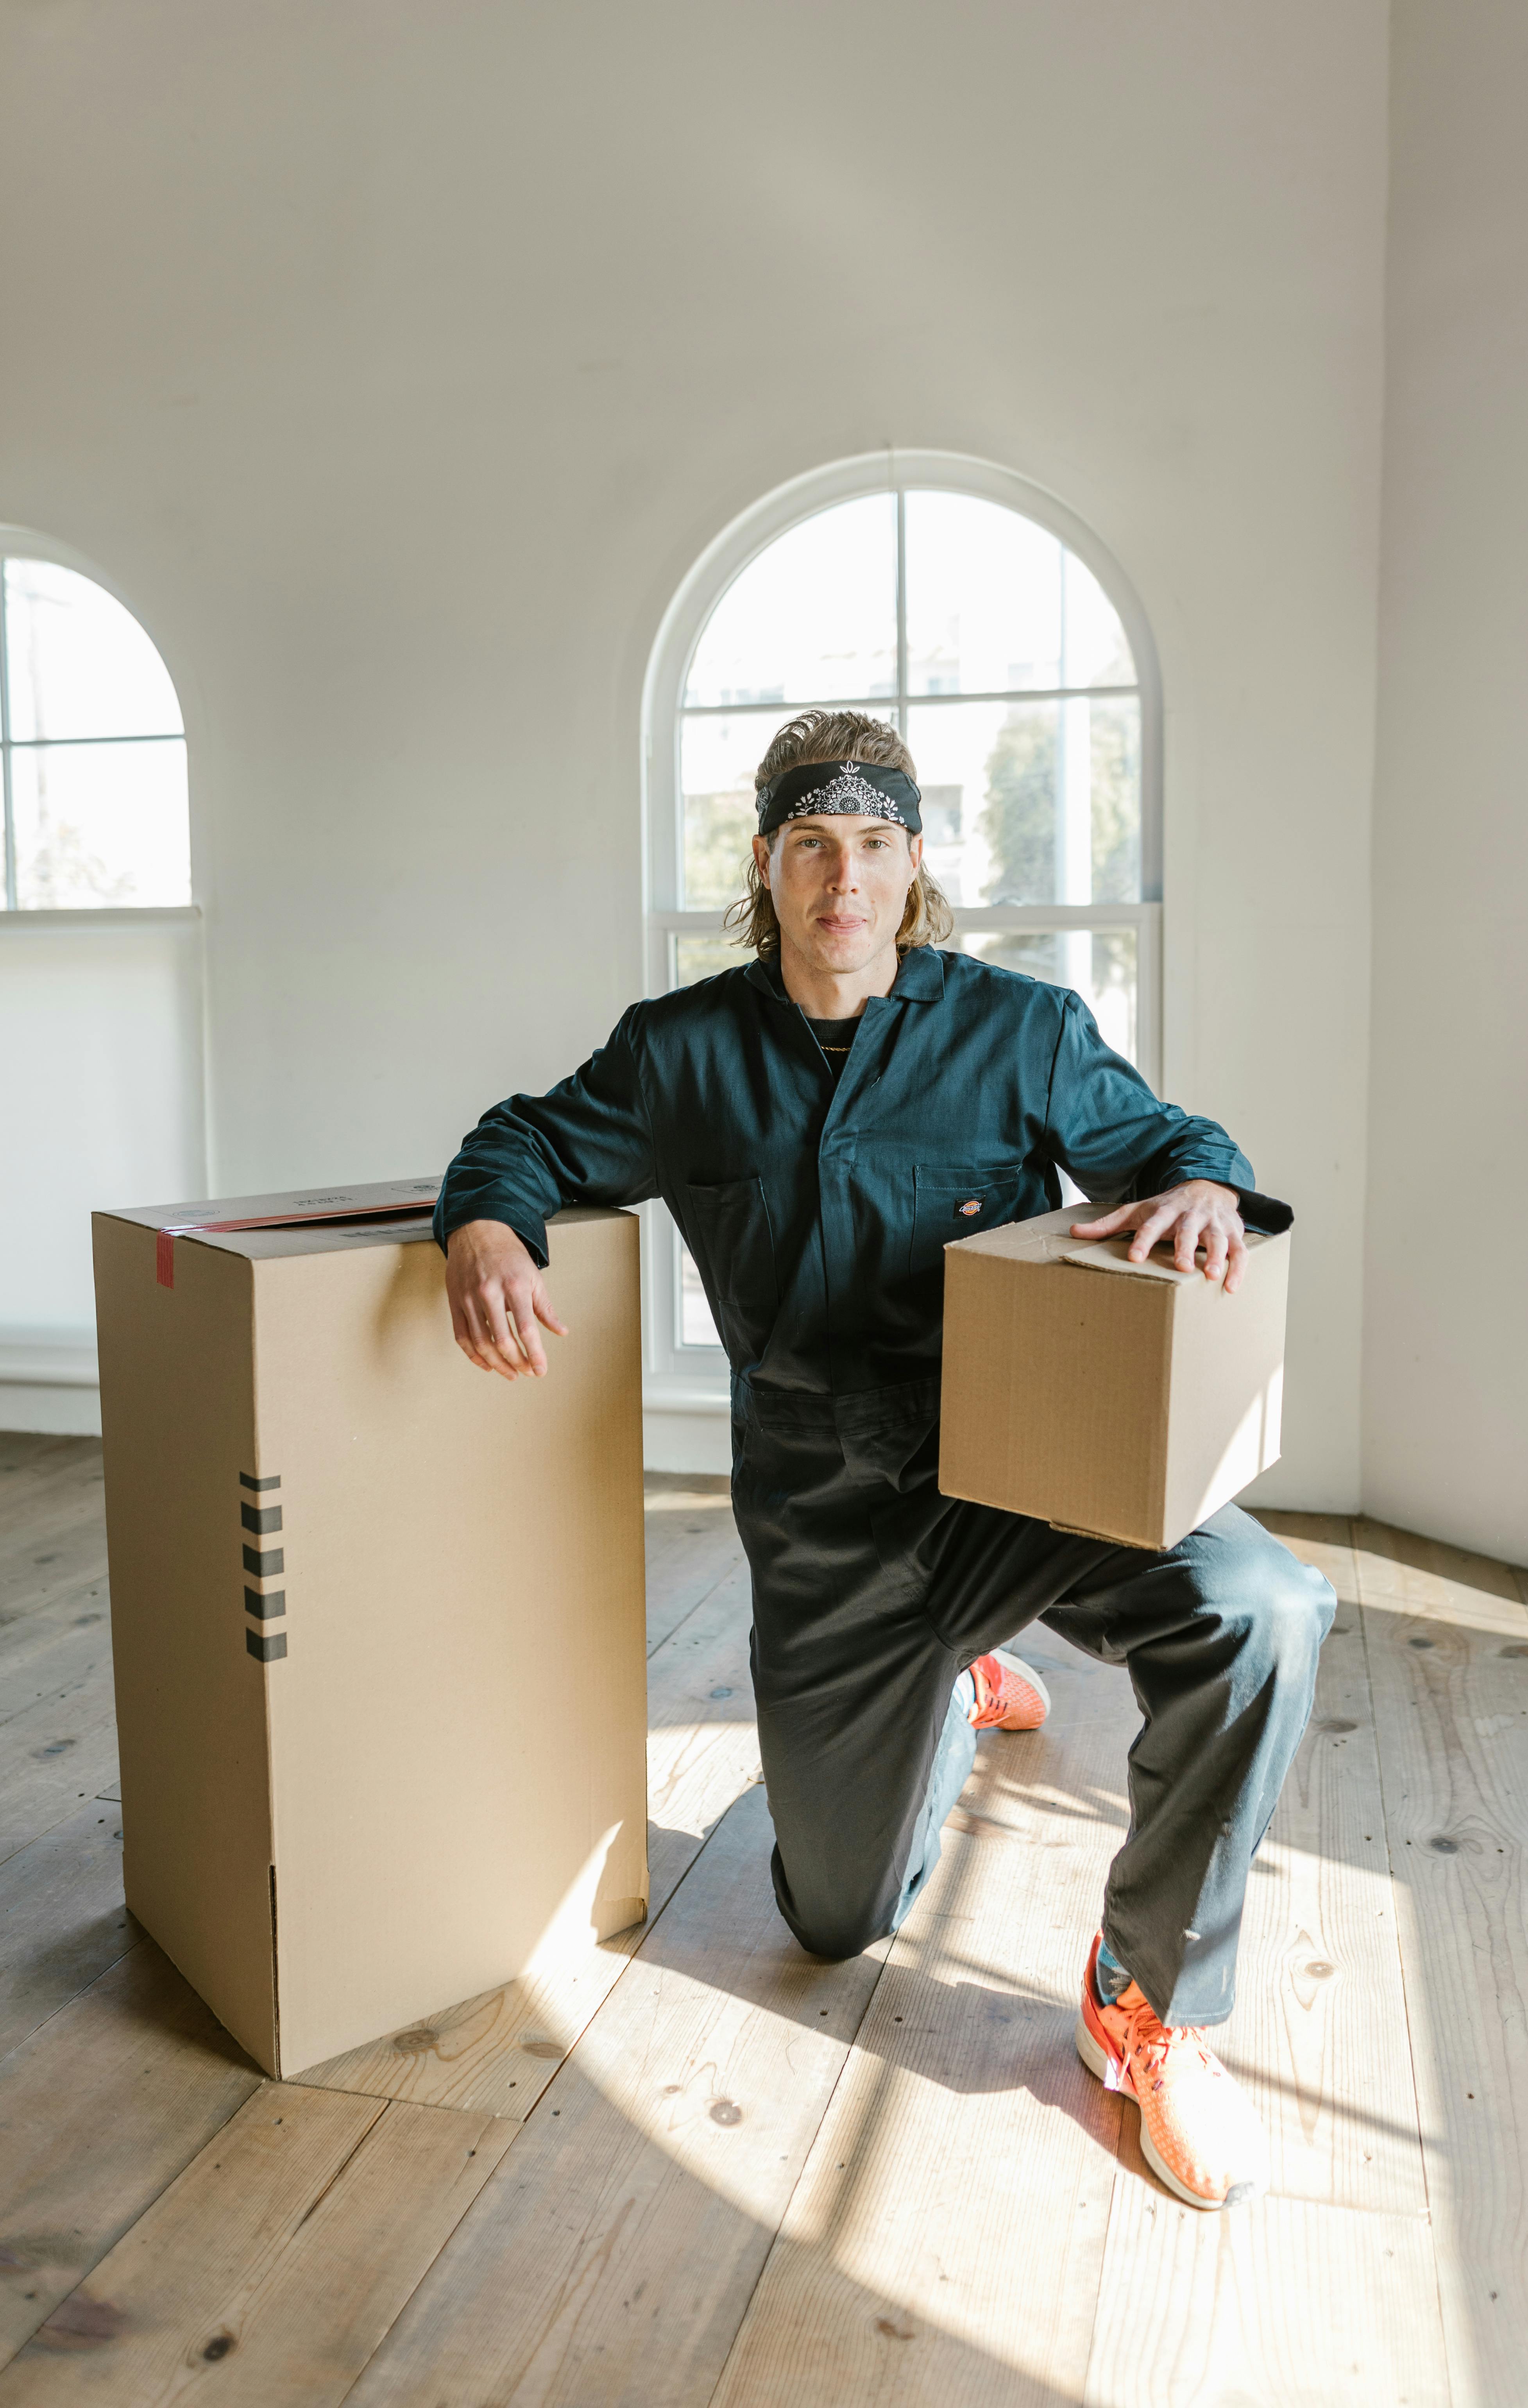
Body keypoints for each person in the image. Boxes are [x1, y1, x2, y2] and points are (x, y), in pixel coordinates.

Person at [436, 708, 1335, 2213]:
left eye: (871, 845)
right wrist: (485, 1220)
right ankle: (953, 1688)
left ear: (913, 864)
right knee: (832, 1924)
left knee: (1267, 1607)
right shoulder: (681, 1051)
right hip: (821, 1526)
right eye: (809, 846)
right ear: (767, 869)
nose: (840, 879)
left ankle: (1149, 2000)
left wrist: (1198, 1188)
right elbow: (522, 1137)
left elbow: (1176, 1142)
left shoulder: (1020, 1029)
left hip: (1017, 1482)